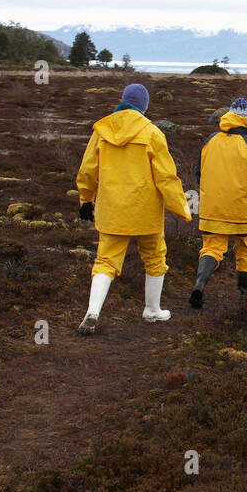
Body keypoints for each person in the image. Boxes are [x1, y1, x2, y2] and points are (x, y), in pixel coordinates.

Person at [75, 82, 191, 335]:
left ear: (123, 101)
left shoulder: (101, 131)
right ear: (144, 107)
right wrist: (181, 207)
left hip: (112, 210)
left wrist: (86, 199)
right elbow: (166, 177)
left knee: (105, 261)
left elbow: (87, 170)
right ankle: (152, 310)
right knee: (155, 257)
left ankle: (93, 311)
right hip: (145, 211)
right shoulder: (152, 133)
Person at [190, 96, 247, 308]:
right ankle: (246, 296)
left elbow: (198, 173)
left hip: (212, 208)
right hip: (241, 209)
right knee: (246, 249)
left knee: (212, 248)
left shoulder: (210, 140)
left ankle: (200, 282)